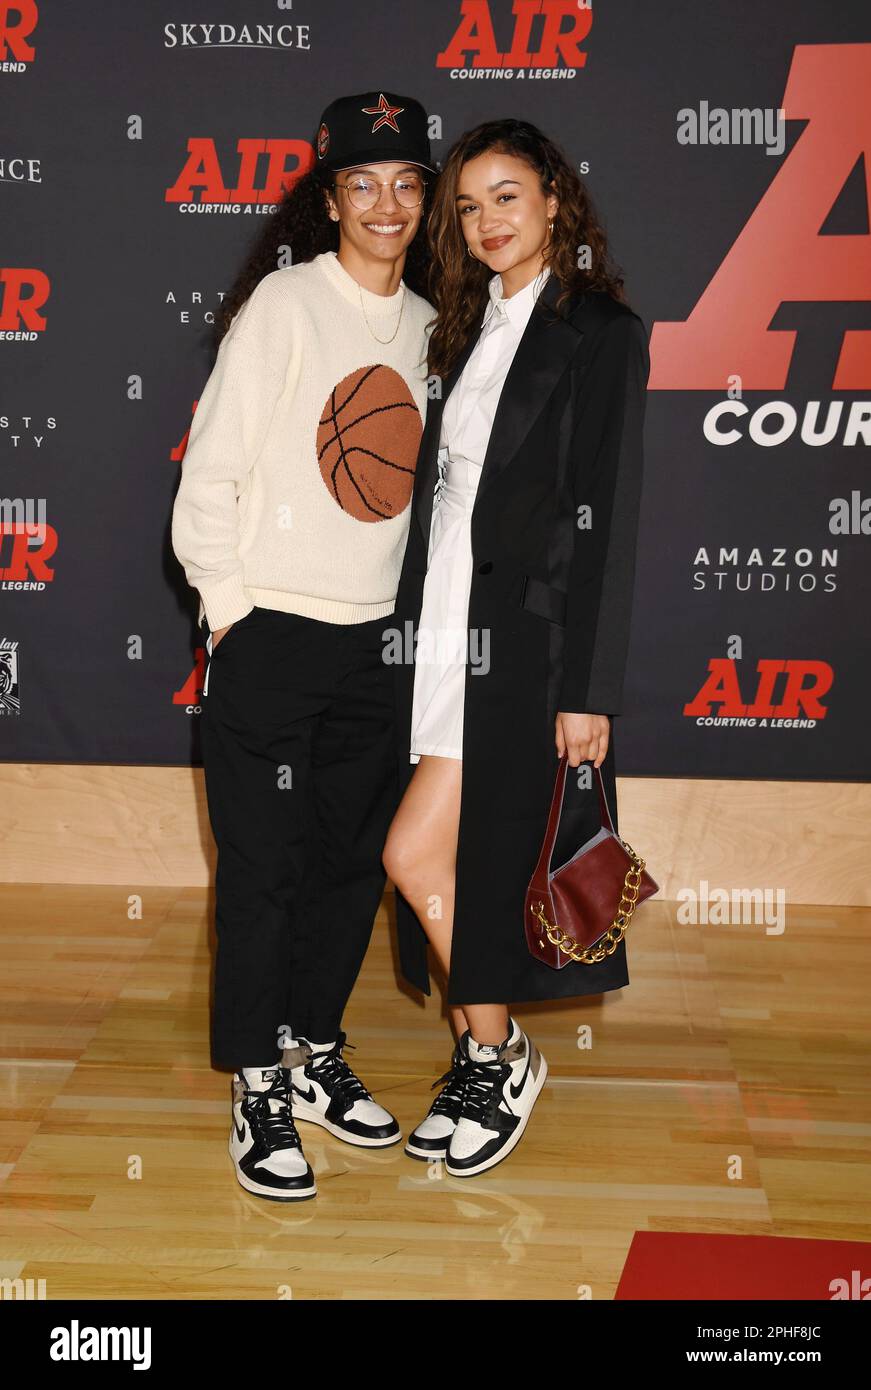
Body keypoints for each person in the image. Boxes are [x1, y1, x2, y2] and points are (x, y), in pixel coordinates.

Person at [171, 91, 436, 1201]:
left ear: (424, 199)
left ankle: (313, 1045)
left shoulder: (430, 325)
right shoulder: (284, 305)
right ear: (329, 198)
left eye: (407, 183)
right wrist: (232, 610)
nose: (386, 203)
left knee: (343, 867)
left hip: (375, 646)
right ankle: (255, 1081)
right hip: (273, 630)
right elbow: (211, 471)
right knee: (265, 871)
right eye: (363, 183)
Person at [383, 118, 650, 1178]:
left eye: (506, 196)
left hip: (527, 647)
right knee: (430, 858)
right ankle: (485, 1048)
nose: (487, 221)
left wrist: (588, 689)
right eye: (467, 205)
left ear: (552, 199)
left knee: (451, 857)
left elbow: (610, 518)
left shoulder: (598, 329)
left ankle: (493, 1052)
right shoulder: (454, 329)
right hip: (438, 632)